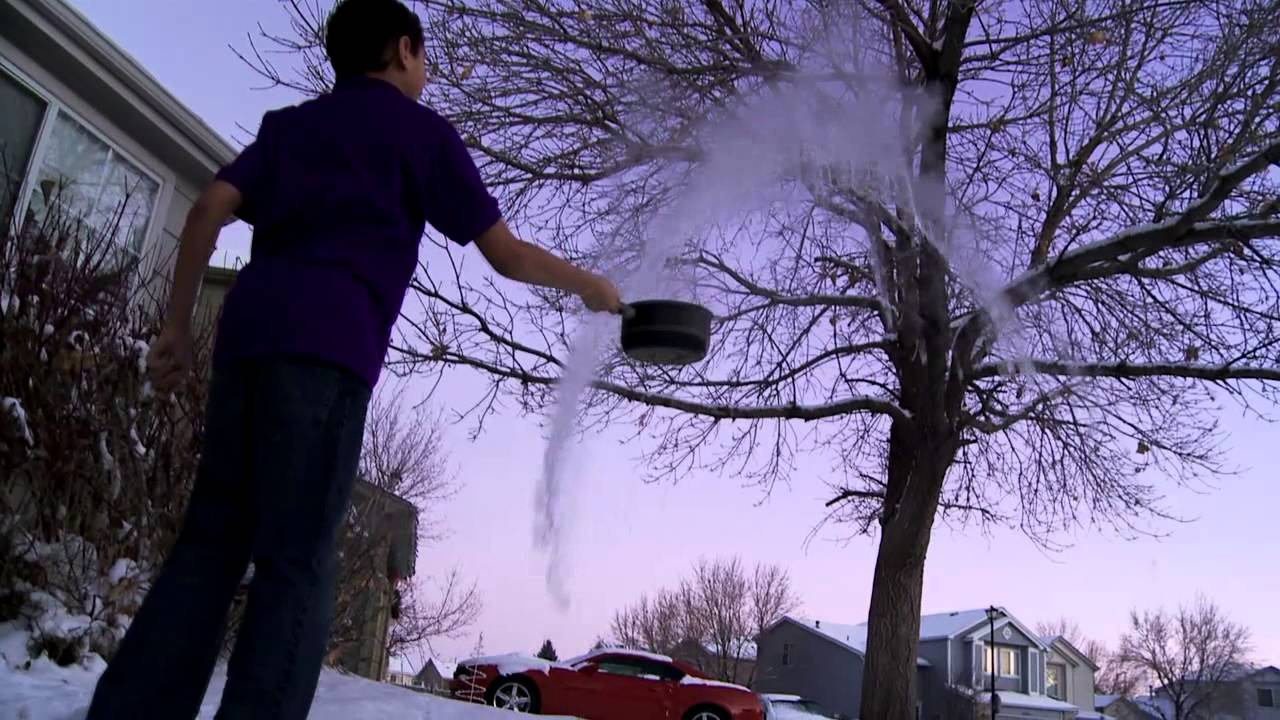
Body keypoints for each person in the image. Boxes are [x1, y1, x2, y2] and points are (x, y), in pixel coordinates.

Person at [86, 0, 621, 717]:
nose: (426, 73)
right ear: (403, 51)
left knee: (210, 544)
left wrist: (178, 328)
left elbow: (207, 207)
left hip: (245, 345)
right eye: (425, 58)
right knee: (296, 562)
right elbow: (507, 254)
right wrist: (591, 287)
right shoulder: (421, 136)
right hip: (327, 354)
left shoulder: (291, 127)